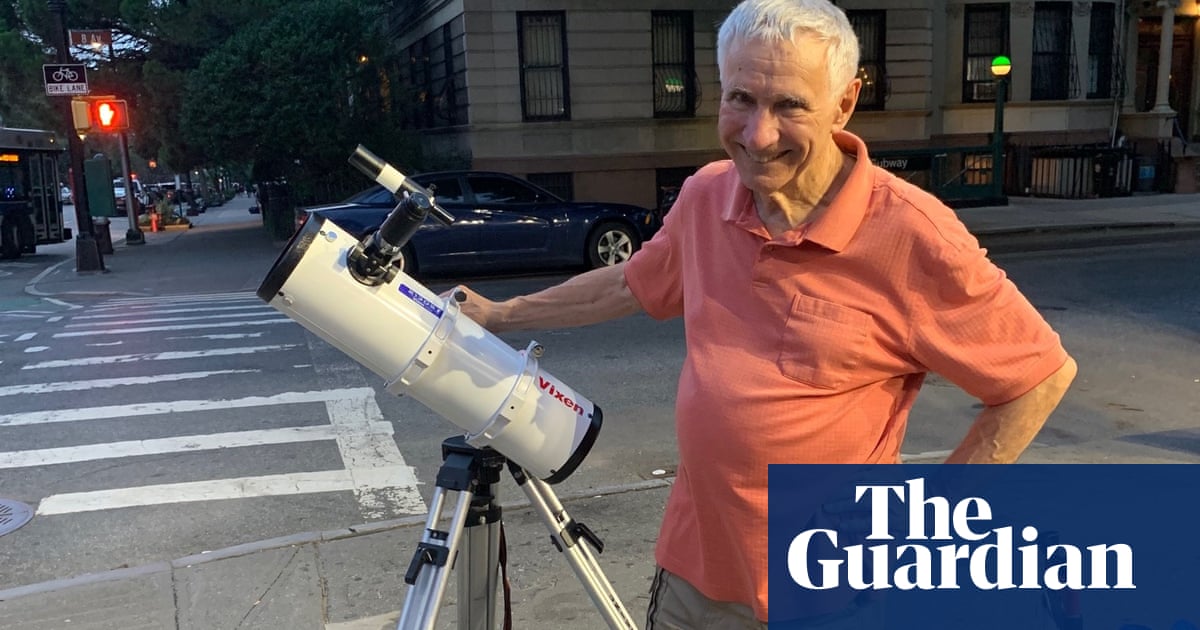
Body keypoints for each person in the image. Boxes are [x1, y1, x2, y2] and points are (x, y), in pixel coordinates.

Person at [453, 0, 1077, 626]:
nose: (758, 135)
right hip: (692, 578)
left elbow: (1038, 377)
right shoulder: (706, 196)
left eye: (790, 106)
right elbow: (629, 284)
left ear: (844, 104)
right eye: (741, 99)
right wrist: (503, 314)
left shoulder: (910, 234)